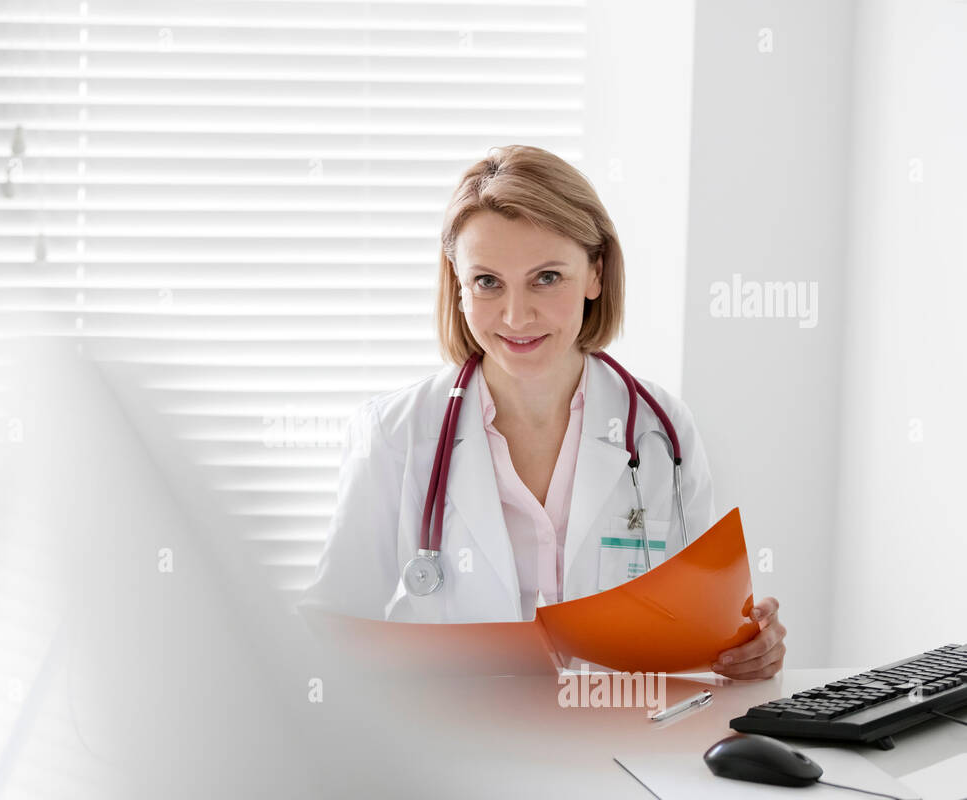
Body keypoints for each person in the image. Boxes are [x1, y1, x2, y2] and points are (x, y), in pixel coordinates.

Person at [297, 145, 785, 681]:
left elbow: (704, 632)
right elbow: (331, 635)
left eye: (546, 277)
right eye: (487, 282)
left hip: (619, 747)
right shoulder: (395, 433)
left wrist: (745, 653)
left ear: (596, 274)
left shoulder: (658, 429)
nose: (515, 315)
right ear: (458, 288)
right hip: (454, 751)